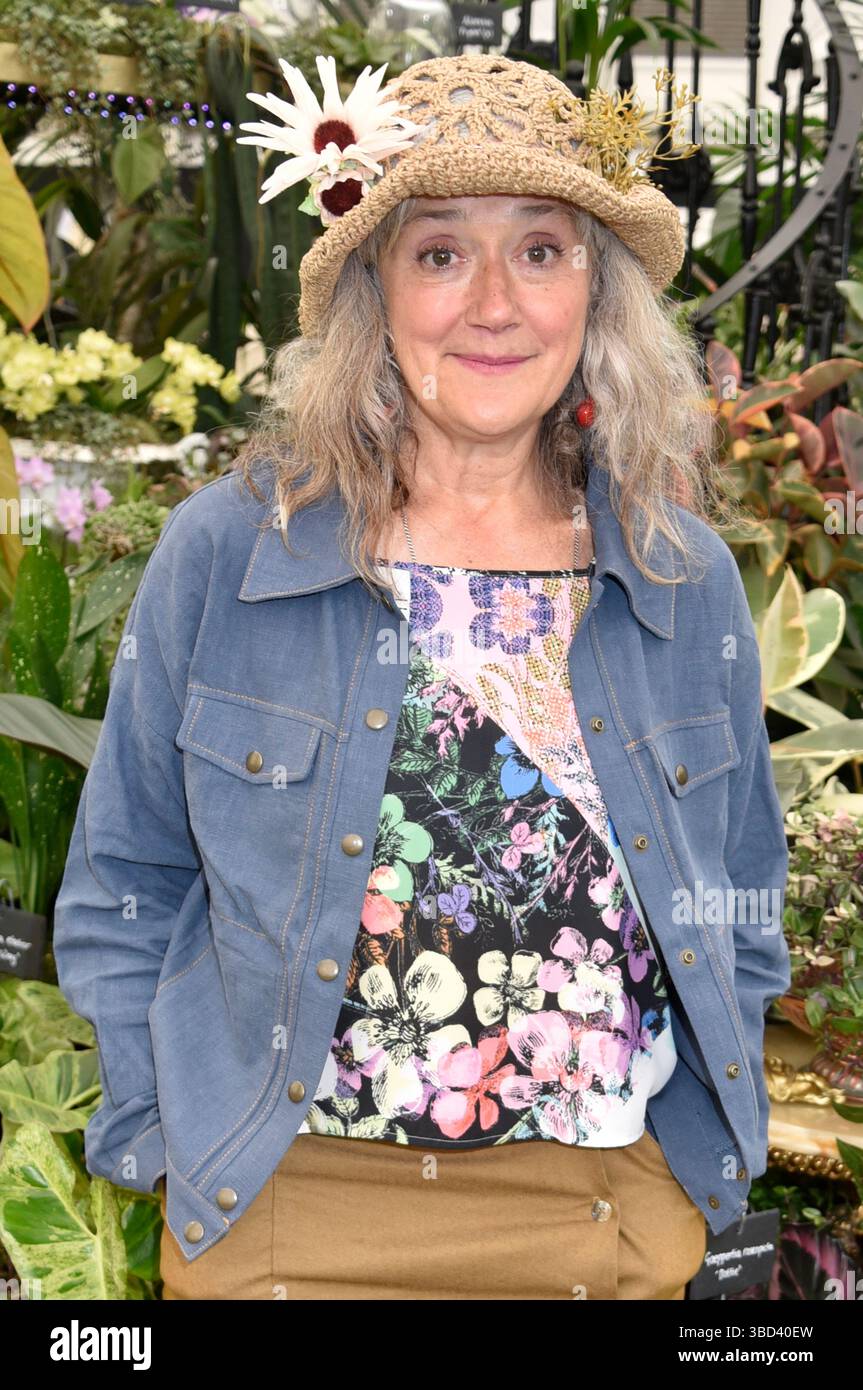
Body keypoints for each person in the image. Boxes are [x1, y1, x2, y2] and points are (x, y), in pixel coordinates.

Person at [52, 52, 791, 1301]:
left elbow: (741, 898)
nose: (493, 304)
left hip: (601, 1211)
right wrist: (162, 1122)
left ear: (595, 297)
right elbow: (123, 881)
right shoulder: (235, 553)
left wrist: (688, 1152)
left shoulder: (678, 577)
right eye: (440, 253)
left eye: (542, 251)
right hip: (286, 1212)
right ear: (374, 297)